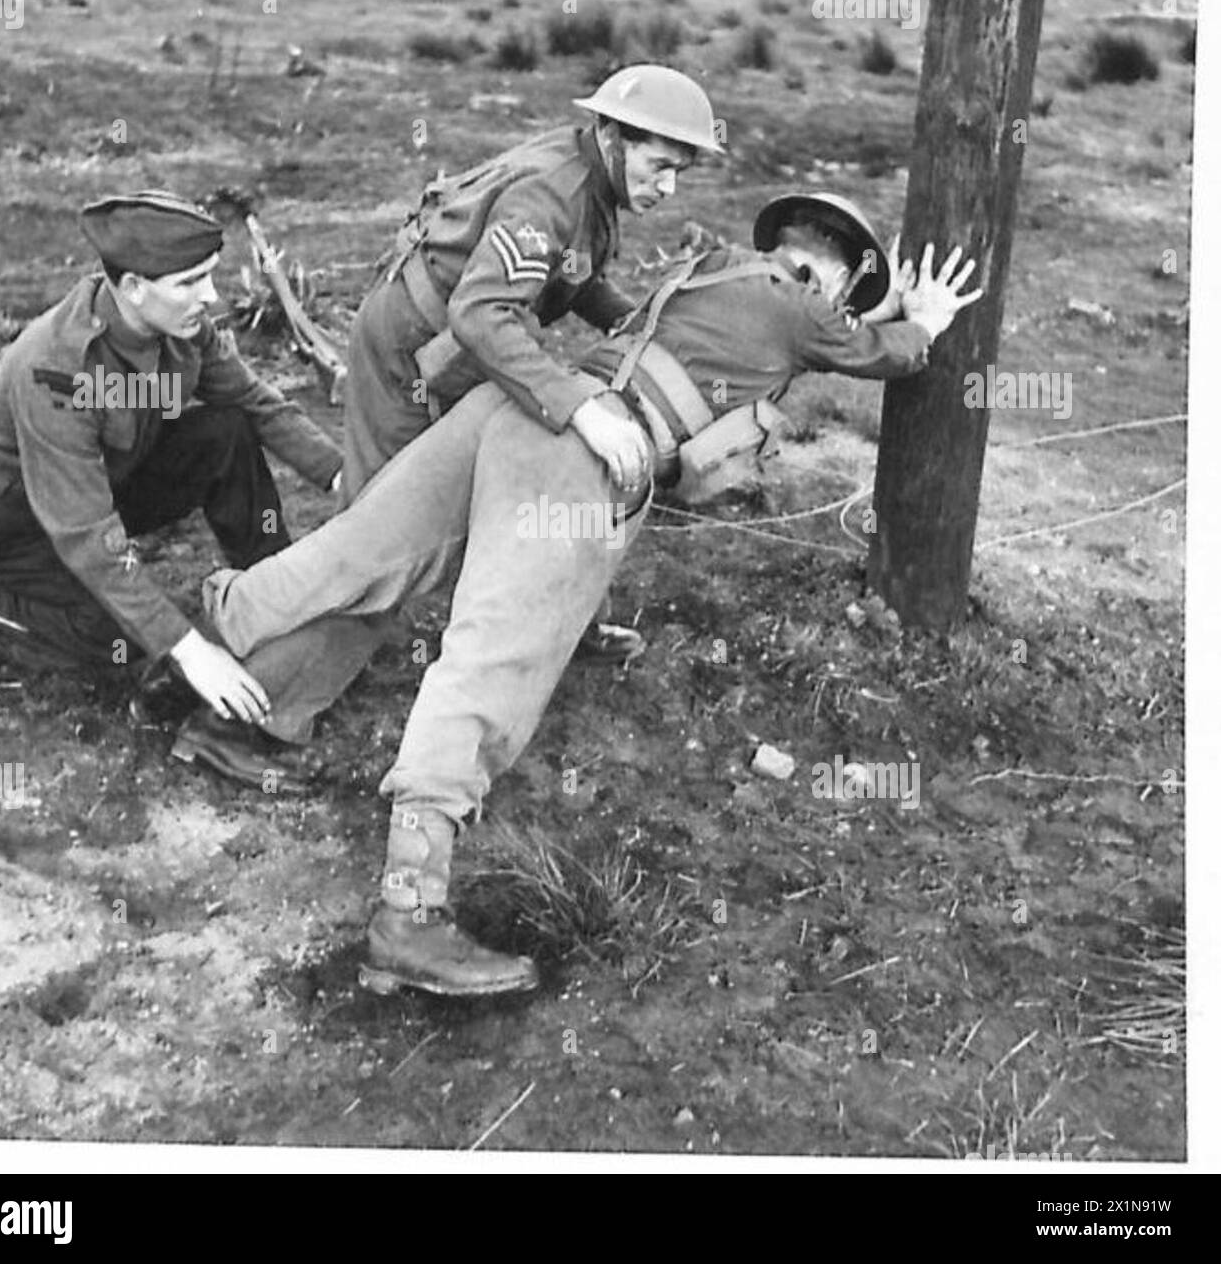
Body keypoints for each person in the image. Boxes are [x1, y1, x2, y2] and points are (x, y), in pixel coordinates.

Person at [195, 192, 985, 996]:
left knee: (353, 554)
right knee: (493, 662)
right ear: (831, 275)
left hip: (517, 401)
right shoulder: (798, 307)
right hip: (581, 456)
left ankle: (198, 655)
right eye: (844, 289)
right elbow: (893, 354)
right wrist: (922, 317)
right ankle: (409, 914)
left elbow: (836, 328)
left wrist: (876, 302)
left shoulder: (711, 270)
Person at [0, 189, 385, 774]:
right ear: (132, 288)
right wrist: (189, 651)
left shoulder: (182, 324)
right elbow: (87, 540)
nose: (210, 296)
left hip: (106, 481)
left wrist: (347, 482)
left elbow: (256, 404)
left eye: (210, 276)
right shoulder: (54, 370)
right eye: (190, 282)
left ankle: (274, 594)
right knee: (112, 634)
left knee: (224, 427)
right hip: (14, 518)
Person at [339, 63, 724, 663]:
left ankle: (560, 628)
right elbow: (483, 312)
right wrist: (579, 409)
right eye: (661, 166)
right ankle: (274, 685)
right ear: (613, 137)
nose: (670, 188)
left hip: (464, 347)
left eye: (681, 172)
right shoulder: (552, 192)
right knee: (379, 525)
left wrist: (633, 323)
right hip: (409, 344)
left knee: (524, 488)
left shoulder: (594, 186)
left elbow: (571, 274)